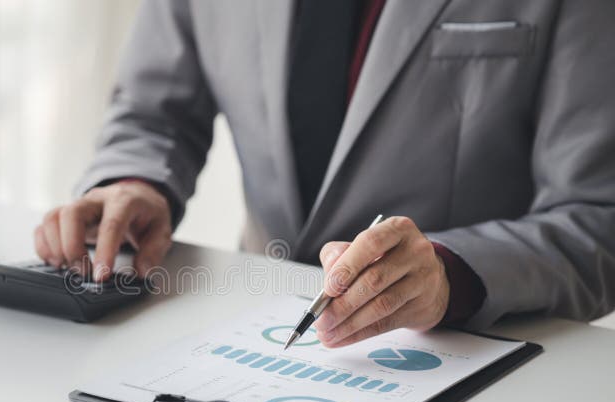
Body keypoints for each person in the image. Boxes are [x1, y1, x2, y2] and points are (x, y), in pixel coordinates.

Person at [34, 0, 615, 347]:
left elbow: (599, 217)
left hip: (472, 369)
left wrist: (451, 274)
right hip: (245, 347)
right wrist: (136, 182)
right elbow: (153, 110)